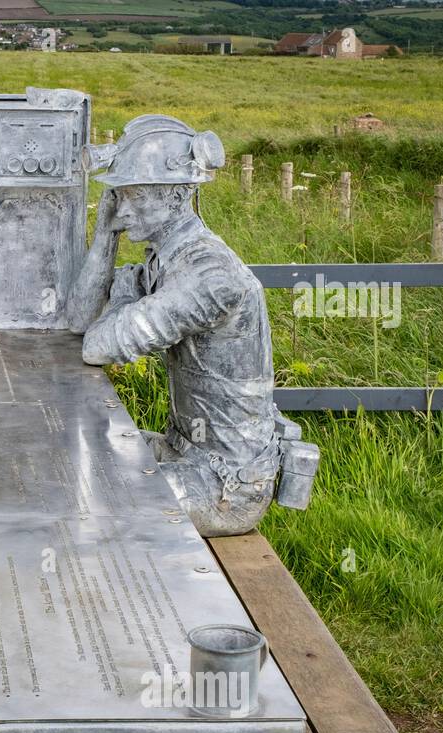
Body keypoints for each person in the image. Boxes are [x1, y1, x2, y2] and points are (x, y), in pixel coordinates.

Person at [64, 114, 310, 537]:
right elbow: (79, 319)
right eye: (118, 196)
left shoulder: (208, 277)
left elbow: (96, 346)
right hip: (182, 451)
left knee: (93, 498)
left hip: (226, 485)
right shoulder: (167, 259)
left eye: (134, 195)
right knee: (74, 454)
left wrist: (120, 306)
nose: (123, 210)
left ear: (179, 194)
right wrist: (106, 234)